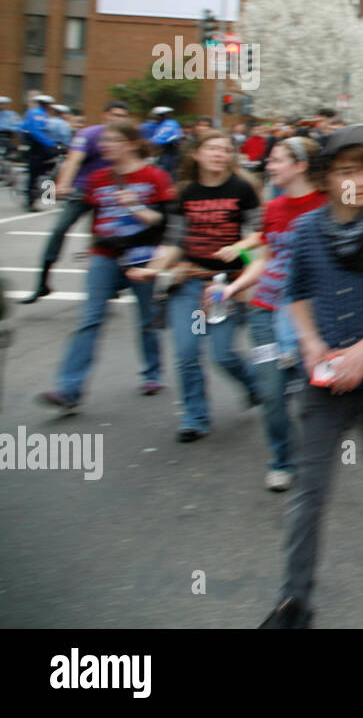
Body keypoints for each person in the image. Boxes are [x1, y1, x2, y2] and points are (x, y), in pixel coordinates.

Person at [258, 125, 363, 629]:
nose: (359, 180)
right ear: (328, 180)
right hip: (323, 382)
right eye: (346, 171)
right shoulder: (306, 231)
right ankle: (294, 602)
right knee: (309, 489)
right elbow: (295, 292)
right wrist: (311, 343)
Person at [129, 131, 264, 441]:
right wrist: (153, 270)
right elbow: (175, 241)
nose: (220, 154)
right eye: (213, 148)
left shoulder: (243, 189)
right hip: (190, 282)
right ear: (196, 155)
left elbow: (261, 235)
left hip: (225, 287)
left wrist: (240, 248)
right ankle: (195, 416)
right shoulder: (185, 193)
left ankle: (255, 386)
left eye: (226, 149)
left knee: (222, 354)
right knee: (188, 351)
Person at [214, 136, 328, 492]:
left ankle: (319, 446)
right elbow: (267, 258)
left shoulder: (328, 206)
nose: (269, 165)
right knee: (272, 390)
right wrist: (234, 288)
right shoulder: (274, 208)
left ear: (300, 165)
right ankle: (281, 460)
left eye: (277, 160)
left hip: (310, 314)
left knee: (315, 393)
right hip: (265, 310)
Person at [37, 121, 173, 410]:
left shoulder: (154, 177)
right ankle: (69, 389)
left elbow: (164, 221)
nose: (104, 145)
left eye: (112, 140)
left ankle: (153, 373)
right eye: (104, 141)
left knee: (147, 319)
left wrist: (136, 207)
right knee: (90, 319)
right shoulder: (98, 177)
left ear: (132, 144)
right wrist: (91, 250)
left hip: (140, 256)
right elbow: (95, 218)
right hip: (104, 254)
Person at [21, 100, 133, 304]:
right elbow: (73, 160)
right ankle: (42, 283)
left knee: (113, 237)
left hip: (111, 194)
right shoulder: (89, 134)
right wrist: (63, 183)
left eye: (122, 116)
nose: (118, 119)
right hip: (82, 190)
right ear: (104, 115)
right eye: (115, 115)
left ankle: (113, 283)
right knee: (59, 229)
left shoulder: (127, 139)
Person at [21, 93, 59, 211]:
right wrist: (51, 144)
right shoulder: (37, 114)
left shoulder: (41, 114)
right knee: (35, 173)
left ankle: (44, 195)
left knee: (47, 169)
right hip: (37, 147)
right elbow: (37, 133)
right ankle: (30, 202)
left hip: (39, 146)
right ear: (46, 104)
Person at [144, 107, 184, 176]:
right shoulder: (157, 124)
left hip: (169, 152)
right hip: (162, 152)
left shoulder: (169, 124)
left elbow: (163, 138)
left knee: (167, 172)